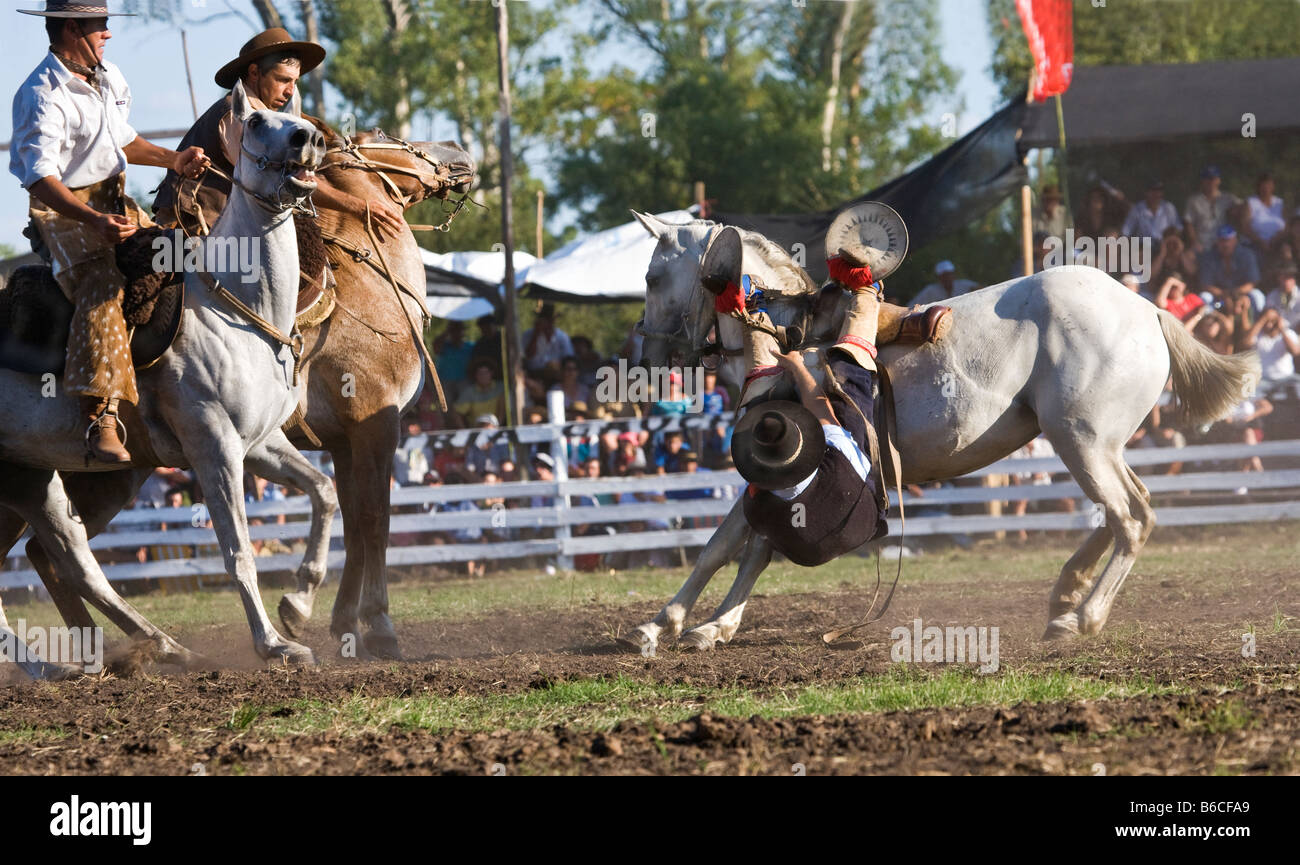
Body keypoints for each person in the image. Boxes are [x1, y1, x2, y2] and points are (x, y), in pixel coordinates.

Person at [12, 1, 211, 462]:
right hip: (61, 212)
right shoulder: (40, 92)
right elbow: (39, 176)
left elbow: (122, 139)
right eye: (101, 25)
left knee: (184, 253)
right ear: (72, 28)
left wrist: (172, 160)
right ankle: (100, 415)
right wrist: (93, 221)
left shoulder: (109, 76)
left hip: (113, 201)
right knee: (102, 281)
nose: (108, 34)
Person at [699, 203, 918, 566]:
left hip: (803, 549)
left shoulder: (759, 504)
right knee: (852, 365)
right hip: (857, 522)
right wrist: (795, 364)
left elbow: (759, 504)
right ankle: (865, 287)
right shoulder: (832, 457)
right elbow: (820, 406)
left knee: (759, 383)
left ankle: (745, 312)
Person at [152, 28, 407, 243]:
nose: (289, 91)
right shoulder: (235, 115)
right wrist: (358, 207)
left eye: (294, 82)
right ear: (254, 73)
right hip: (192, 232)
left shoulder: (268, 119)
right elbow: (280, 179)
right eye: (283, 79)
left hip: (228, 231)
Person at [1199, 225, 1263, 313]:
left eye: (1228, 240)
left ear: (1235, 240)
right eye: (1222, 240)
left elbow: (1252, 282)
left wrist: (1235, 293)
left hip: (1241, 294)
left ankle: (1257, 325)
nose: (1226, 244)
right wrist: (1223, 295)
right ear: (1217, 241)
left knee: (1257, 295)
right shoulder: (1209, 257)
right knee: (1204, 297)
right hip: (1219, 297)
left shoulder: (1247, 255)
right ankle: (1207, 325)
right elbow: (1206, 284)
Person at [1183, 166, 1237, 254]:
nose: (1211, 182)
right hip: (1202, 243)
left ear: (1219, 180)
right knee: (1188, 257)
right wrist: (1194, 242)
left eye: (1214, 179)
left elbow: (1245, 207)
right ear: (1202, 181)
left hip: (1223, 242)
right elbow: (1188, 224)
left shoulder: (1228, 198)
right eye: (1207, 179)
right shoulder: (1193, 200)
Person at [1243, 308, 1299, 383]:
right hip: (1262, 379)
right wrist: (1263, 319)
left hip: (1286, 378)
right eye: (1266, 321)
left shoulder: (1288, 333)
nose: (1269, 325)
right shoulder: (1257, 334)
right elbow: (1245, 343)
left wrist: (1282, 329)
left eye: (1272, 321)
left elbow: (1294, 351)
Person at [1244, 173, 1286, 251]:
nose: (1266, 188)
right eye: (1263, 185)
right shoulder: (1251, 202)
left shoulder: (1280, 203)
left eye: (1269, 185)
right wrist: (1260, 242)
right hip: (1255, 243)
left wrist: (1275, 239)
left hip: (1277, 243)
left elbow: (1287, 226)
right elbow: (1246, 227)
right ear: (1258, 187)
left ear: (1273, 187)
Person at [913, 260, 978, 306]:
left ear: (954, 274)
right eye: (944, 275)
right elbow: (912, 306)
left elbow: (981, 292)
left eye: (949, 274)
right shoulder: (930, 291)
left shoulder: (964, 285)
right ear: (939, 277)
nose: (947, 278)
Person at [1265, 265, 1300, 330]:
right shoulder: (1272, 296)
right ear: (1278, 279)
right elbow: (1268, 319)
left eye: (1289, 278)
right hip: (1277, 334)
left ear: (1294, 279)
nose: (1286, 282)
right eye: (1283, 278)